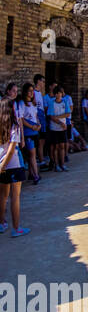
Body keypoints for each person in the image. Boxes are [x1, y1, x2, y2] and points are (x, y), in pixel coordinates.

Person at [0, 99, 29, 238]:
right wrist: (3, 166)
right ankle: (16, 228)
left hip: (1, 164)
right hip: (12, 165)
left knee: (3, 196)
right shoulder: (14, 125)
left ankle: (1, 223)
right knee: (15, 197)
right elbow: (11, 150)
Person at [15, 83, 41, 185]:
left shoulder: (33, 103)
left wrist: (38, 124)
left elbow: (35, 116)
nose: (31, 93)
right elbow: (21, 119)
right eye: (29, 91)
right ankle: (36, 175)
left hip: (35, 130)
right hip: (28, 131)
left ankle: (31, 173)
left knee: (33, 153)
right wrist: (31, 127)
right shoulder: (22, 103)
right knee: (32, 154)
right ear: (25, 91)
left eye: (32, 91)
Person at [44, 84, 72, 172]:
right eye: (57, 93)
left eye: (60, 93)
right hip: (54, 128)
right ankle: (56, 165)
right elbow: (51, 116)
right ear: (55, 94)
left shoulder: (65, 102)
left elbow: (68, 113)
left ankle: (62, 164)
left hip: (63, 127)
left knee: (62, 146)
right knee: (55, 147)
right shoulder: (51, 102)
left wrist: (59, 117)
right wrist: (60, 122)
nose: (59, 95)